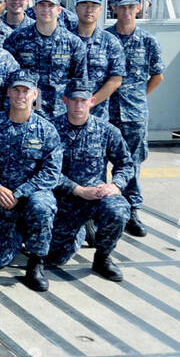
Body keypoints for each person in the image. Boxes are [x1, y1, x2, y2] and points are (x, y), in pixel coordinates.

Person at [0, 71, 61, 292]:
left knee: (42, 206)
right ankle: (16, 233)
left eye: (26, 91)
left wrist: (20, 192)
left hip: (31, 195)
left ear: (35, 94)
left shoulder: (46, 130)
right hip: (0, 197)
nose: (20, 95)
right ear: (8, 92)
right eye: (16, 90)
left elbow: (51, 172)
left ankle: (36, 262)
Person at [48, 79, 134, 281]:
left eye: (83, 101)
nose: (78, 105)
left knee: (119, 210)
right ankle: (81, 230)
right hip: (65, 200)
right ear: (65, 101)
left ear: (92, 101)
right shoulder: (51, 130)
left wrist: (116, 185)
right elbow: (46, 170)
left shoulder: (107, 131)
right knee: (56, 256)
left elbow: (126, 163)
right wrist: (76, 189)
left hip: (97, 196)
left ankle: (103, 257)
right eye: (74, 100)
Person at [107, 0, 166, 237]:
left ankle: (131, 209)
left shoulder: (148, 40)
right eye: (123, 7)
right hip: (106, 112)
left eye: (132, 7)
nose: (127, 12)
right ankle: (101, 210)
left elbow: (158, 76)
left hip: (134, 114)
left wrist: (138, 97)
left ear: (139, 8)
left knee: (131, 163)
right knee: (97, 162)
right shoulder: (105, 38)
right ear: (114, 8)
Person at [3, 0, 88, 118]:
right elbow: (8, 78)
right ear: (35, 8)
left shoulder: (73, 43)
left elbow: (79, 82)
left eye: (51, 5)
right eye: (42, 5)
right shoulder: (17, 38)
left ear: (59, 10)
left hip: (60, 113)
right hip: (25, 112)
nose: (46, 9)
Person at [70, 0, 124, 120]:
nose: (89, 10)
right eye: (84, 5)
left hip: (98, 115)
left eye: (94, 6)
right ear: (76, 8)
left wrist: (89, 102)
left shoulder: (111, 42)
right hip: (65, 113)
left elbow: (116, 80)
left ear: (100, 10)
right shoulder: (64, 39)